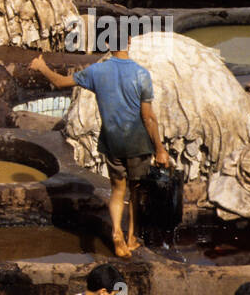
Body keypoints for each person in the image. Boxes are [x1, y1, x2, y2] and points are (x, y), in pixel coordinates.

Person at [30, 49, 172, 258]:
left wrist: (42, 67)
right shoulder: (141, 74)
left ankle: (116, 234)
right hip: (137, 143)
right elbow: (148, 117)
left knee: (117, 190)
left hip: (111, 141)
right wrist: (160, 149)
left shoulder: (97, 71)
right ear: (129, 41)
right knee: (137, 190)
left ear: (107, 43)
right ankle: (131, 238)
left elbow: (60, 83)